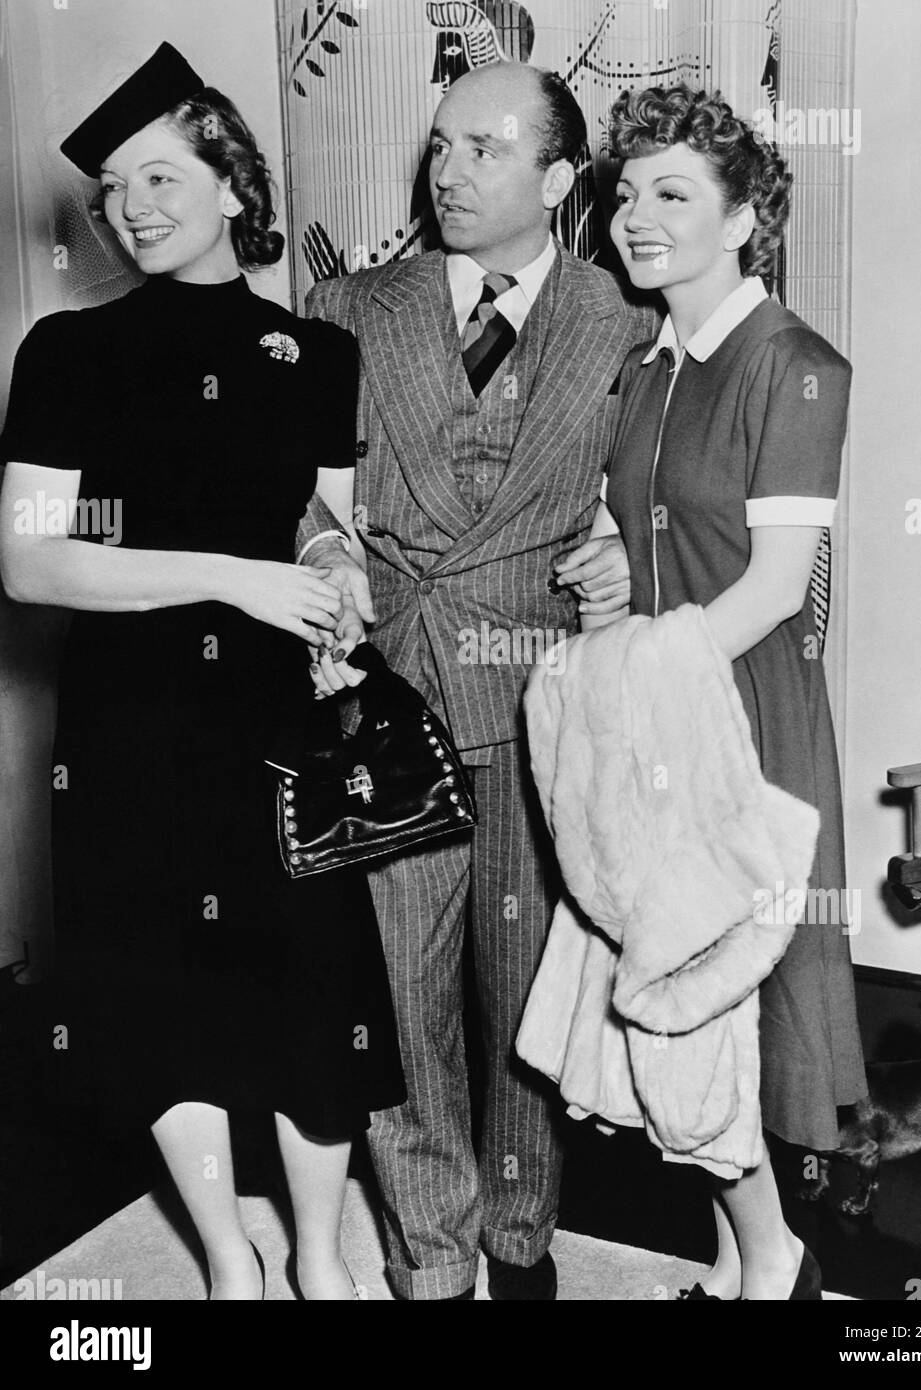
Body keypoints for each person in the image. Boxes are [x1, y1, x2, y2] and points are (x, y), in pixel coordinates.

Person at [0, 43, 405, 1301]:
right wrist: (234, 577)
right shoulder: (66, 351)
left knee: (311, 994)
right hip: (127, 726)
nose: (135, 207)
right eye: (116, 187)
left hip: (274, 724)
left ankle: (322, 1262)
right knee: (150, 991)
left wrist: (340, 573)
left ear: (235, 185)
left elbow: (319, 521)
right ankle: (231, 1256)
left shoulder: (313, 354)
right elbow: (31, 566)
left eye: (163, 176)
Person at [302, 61, 656, 1300]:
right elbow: (307, 495)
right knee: (399, 995)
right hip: (390, 698)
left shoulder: (626, 323)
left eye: (484, 150)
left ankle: (519, 1237)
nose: (447, 171)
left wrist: (623, 547)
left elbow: (660, 491)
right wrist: (321, 557)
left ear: (558, 180)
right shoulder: (349, 307)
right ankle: (430, 1253)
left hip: (539, 696)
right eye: (440, 146)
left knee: (527, 998)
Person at [595, 82, 867, 1299]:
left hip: (742, 718)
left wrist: (644, 674)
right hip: (663, 711)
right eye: (624, 192)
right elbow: (644, 542)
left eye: (673, 193)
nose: (635, 216)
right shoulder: (650, 363)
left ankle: (773, 1259)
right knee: (684, 1004)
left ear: (744, 215)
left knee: (729, 1004)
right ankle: (741, 1250)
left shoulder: (793, 364)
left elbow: (769, 588)